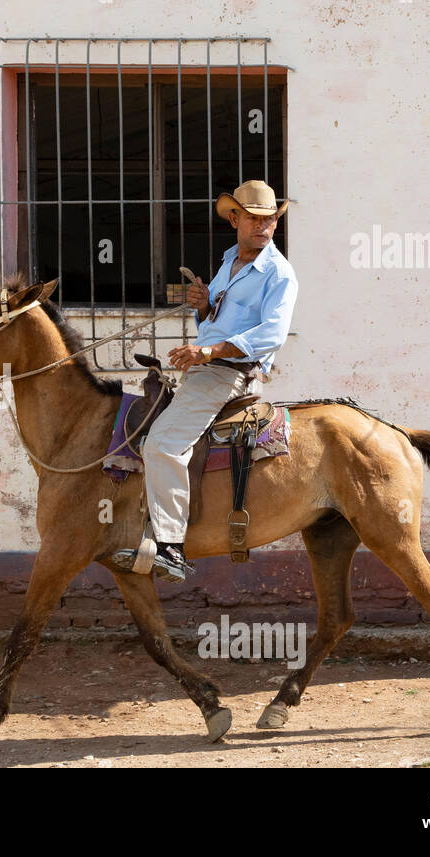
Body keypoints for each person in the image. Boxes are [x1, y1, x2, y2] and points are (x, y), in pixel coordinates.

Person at [113, 180, 298, 581]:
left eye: (269, 220)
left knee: (160, 443)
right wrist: (204, 307)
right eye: (253, 218)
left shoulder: (279, 273)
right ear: (235, 218)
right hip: (208, 367)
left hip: (228, 373)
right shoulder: (230, 261)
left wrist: (208, 352)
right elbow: (214, 321)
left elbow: (272, 334)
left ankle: (170, 547)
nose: (262, 227)